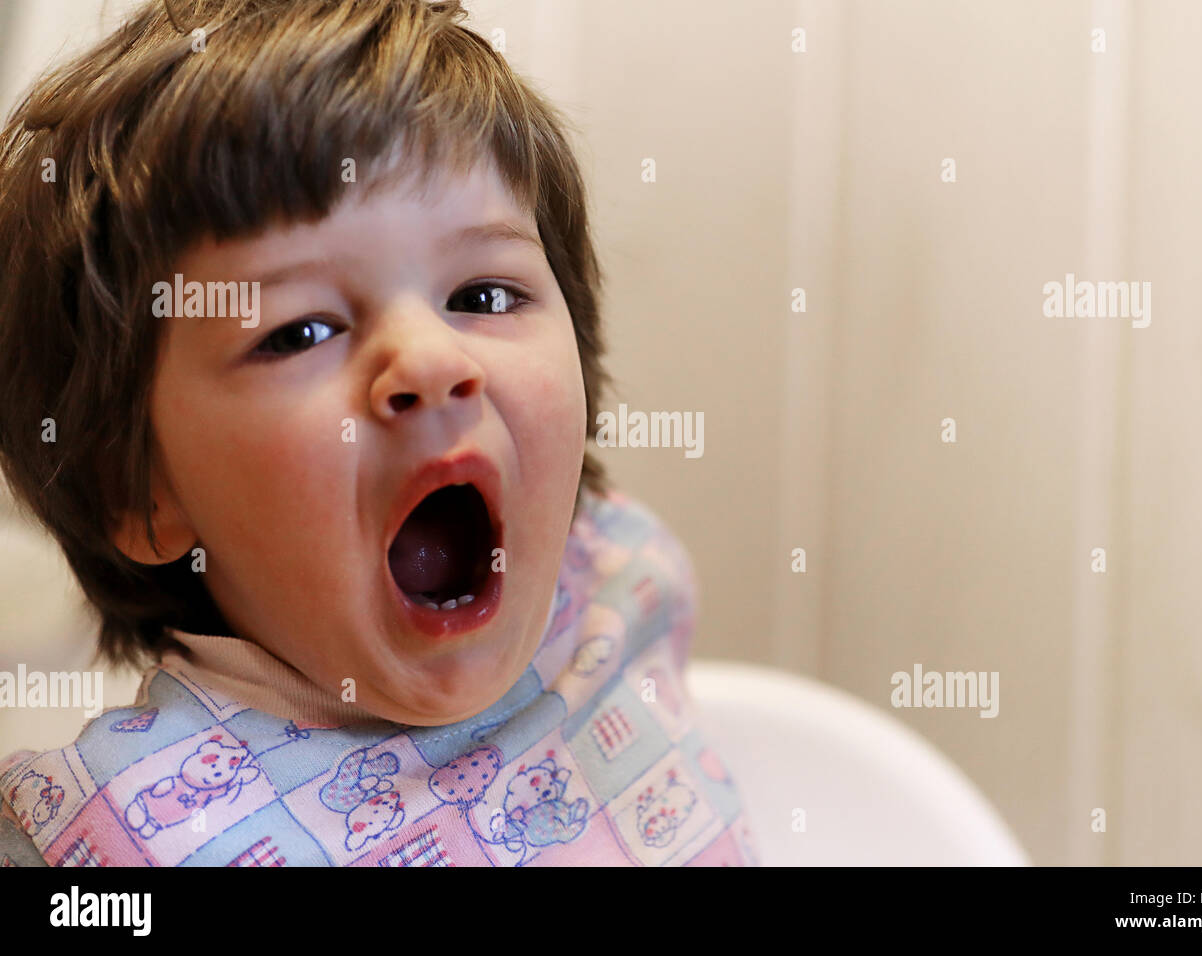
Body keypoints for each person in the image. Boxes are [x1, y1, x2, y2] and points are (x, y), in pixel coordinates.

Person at [0, 0, 757, 867]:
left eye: (482, 296)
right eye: (301, 332)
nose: (432, 362)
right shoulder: (130, 838)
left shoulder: (616, 588)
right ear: (136, 488)